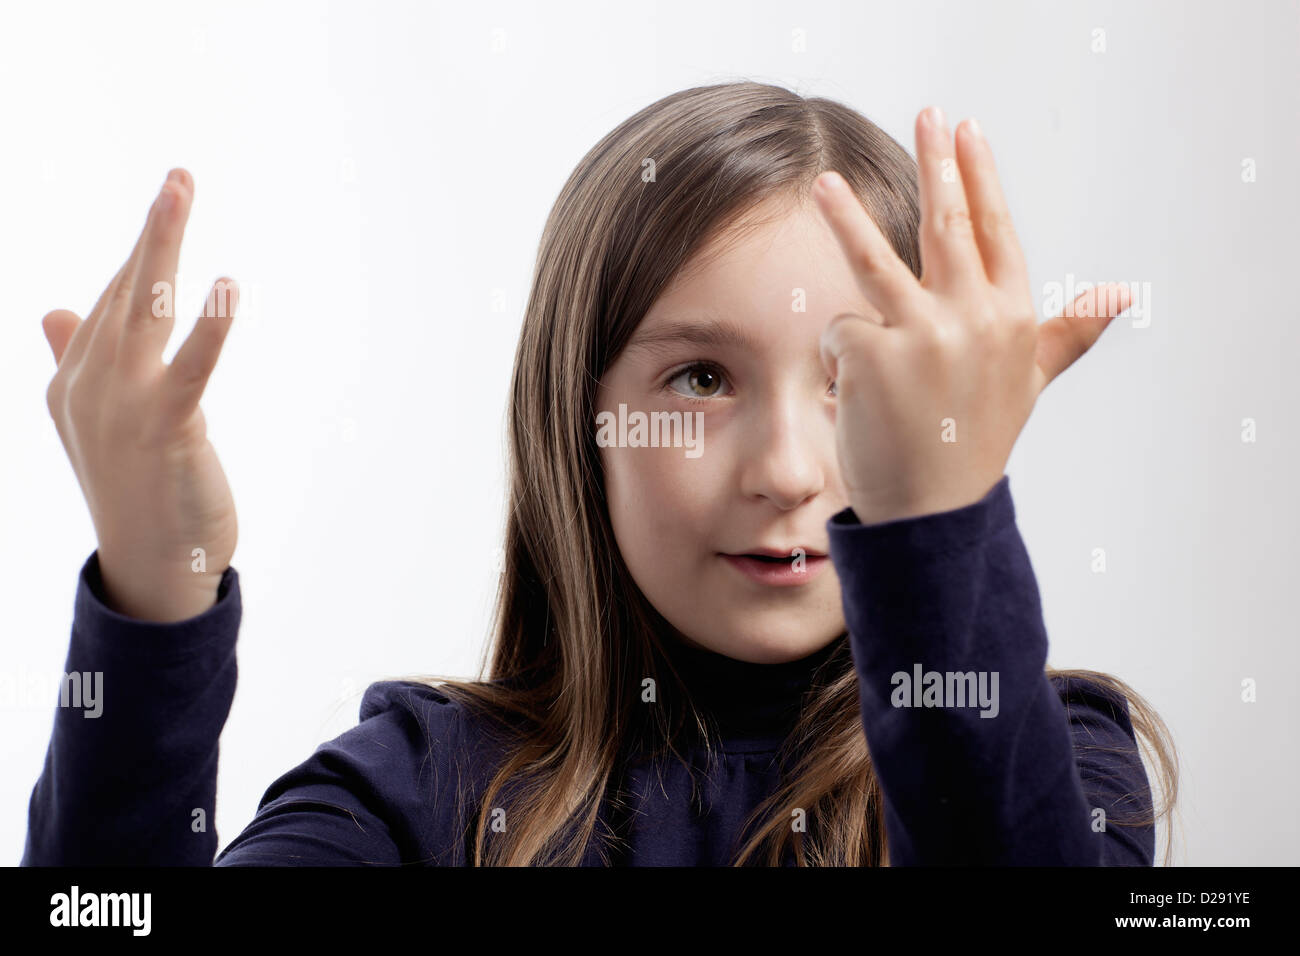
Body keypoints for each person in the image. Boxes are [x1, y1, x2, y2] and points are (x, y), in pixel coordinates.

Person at [23, 81, 1178, 867]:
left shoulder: (1065, 748)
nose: (784, 468)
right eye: (699, 380)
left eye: (852, 380)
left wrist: (944, 517)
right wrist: (151, 599)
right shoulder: (416, 792)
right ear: (579, 420)